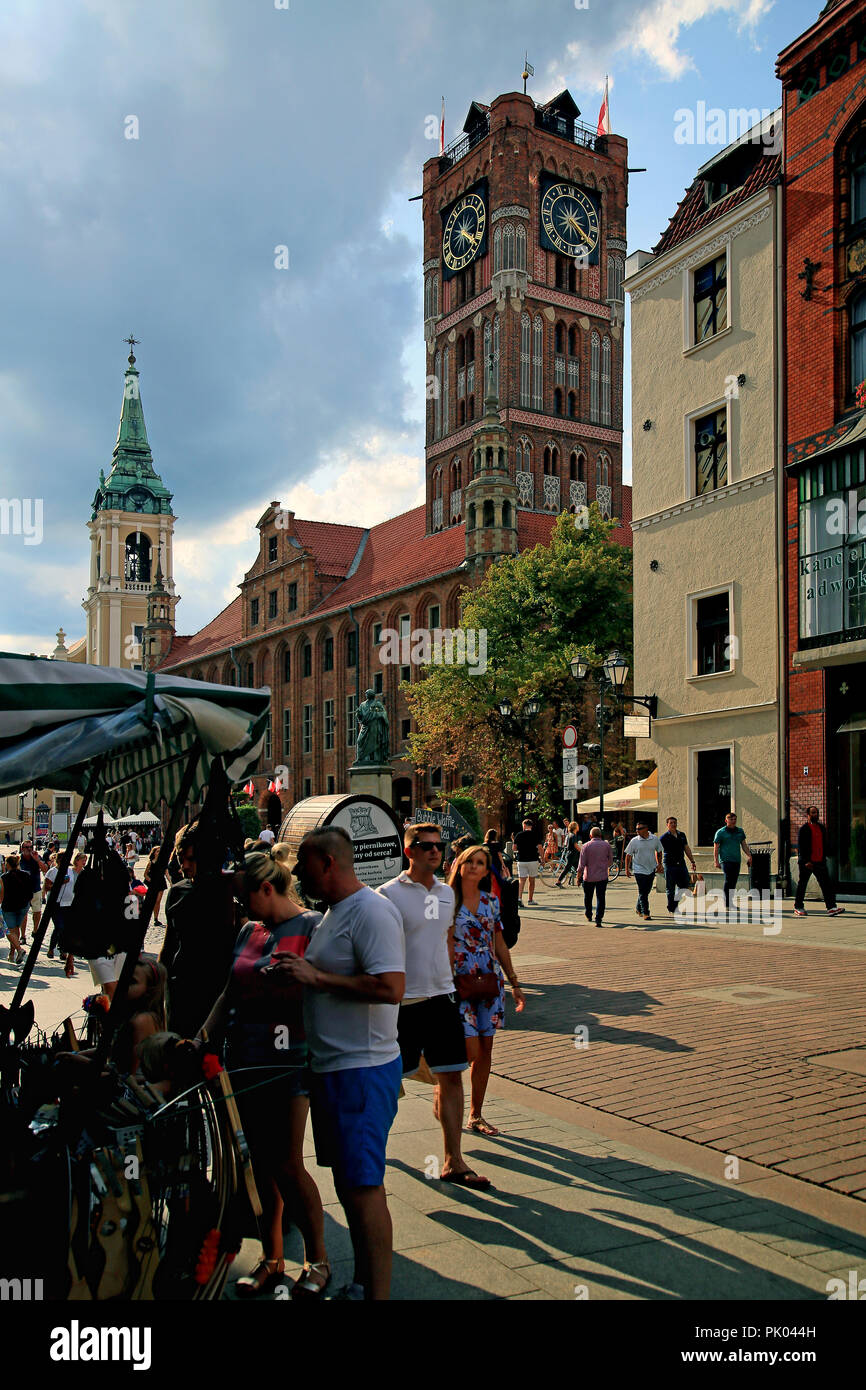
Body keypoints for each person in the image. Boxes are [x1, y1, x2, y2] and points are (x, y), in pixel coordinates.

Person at [271, 826, 405, 1302]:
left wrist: (315, 976)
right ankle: (364, 1282)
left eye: (303, 865)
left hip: (361, 1071)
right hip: (333, 1069)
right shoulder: (334, 913)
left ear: (328, 862)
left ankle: (378, 1294)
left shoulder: (371, 912)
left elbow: (391, 988)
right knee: (349, 1183)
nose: (297, 874)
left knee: (364, 1186)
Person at [201, 848, 330, 1299]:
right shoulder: (249, 930)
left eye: (245, 898)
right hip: (245, 1057)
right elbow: (228, 991)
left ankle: (318, 1261)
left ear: (267, 889)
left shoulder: (313, 926)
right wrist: (203, 1037)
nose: (240, 908)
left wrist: (305, 973)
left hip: (291, 1059)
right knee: (256, 1167)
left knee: (289, 1164)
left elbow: (327, 988)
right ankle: (272, 1258)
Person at [379, 824, 490, 1190]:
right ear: (408, 851)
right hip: (404, 1003)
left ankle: (453, 1160)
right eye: (425, 846)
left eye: (438, 846)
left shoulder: (446, 894)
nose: (434, 851)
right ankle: (372, 1147)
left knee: (451, 1075)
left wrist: (455, 982)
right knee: (388, 1080)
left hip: (443, 999)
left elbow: (445, 939)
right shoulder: (387, 895)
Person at [448, 845, 525, 1137]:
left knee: (485, 1049)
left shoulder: (491, 901)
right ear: (461, 864)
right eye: (471, 862)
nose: (476, 867)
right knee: (465, 1048)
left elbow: (500, 944)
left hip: (488, 981)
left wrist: (515, 982)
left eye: (481, 863)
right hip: (458, 981)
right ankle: (447, 1099)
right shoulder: (447, 901)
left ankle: (476, 1114)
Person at [794, 807, 845, 917]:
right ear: (808, 815)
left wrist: (825, 857)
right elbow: (801, 847)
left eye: (816, 813)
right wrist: (806, 861)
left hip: (820, 862)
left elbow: (824, 844)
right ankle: (798, 906)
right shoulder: (804, 829)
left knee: (826, 884)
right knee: (802, 884)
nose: (815, 815)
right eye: (813, 813)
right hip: (807, 863)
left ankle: (831, 907)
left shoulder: (821, 828)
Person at [713, 812, 752, 915]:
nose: (733, 821)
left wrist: (749, 855)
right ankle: (727, 903)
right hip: (725, 860)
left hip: (736, 860)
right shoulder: (720, 832)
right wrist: (716, 861)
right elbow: (716, 847)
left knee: (733, 881)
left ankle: (730, 902)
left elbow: (744, 845)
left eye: (734, 819)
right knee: (728, 879)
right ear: (726, 820)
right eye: (731, 819)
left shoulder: (740, 831)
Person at [624, 822, 663, 920]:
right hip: (638, 869)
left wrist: (659, 864)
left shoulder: (654, 839)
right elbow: (628, 856)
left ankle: (638, 907)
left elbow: (659, 851)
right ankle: (646, 912)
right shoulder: (634, 841)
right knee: (642, 891)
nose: (637, 831)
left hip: (651, 868)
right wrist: (627, 869)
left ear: (646, 829)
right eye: (636, 829)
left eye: (640, 829)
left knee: (646, 891)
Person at [576, 827, 613, 927]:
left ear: (590, 836)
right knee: (601, 897)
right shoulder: (606, 845)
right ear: (600, 835)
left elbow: (581, 864)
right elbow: (610, 862)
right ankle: (599, 918)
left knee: (588, 897)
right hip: (602, 876)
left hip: (588, 877)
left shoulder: (586, 846)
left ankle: (588, 914)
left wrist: (578, 877)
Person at [659, 816, 697, 914]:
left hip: (681, 863)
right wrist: (659, 864)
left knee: (684, 885)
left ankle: (673, 905)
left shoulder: (681, 835)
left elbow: (686, 848)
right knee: (670, 887)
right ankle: (672, 908)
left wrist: (692, 861)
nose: (673, 824)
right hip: (669, 864)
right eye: (671, 823)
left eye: (675, 822)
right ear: (667, 825)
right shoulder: (664, 837)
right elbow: (658, 851)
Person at [1, 854, 33, 964]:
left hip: (8, 907)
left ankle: (15, 952)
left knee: (10, 931)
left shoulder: (4, 878)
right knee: (16, 929)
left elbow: (2, 894)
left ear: (7, 864)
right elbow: (31, 891)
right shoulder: (26, 875)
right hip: (23, 906)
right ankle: (14, 953)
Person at [18, 840, 47, 948]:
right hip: (22, 891)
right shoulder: (18, 859)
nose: (29, 849)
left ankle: (35, 931)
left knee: (37, 912)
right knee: (23, 914)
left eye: (31, 847)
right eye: (26, 847)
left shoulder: (36, 857)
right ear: (22, 849)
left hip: (35, 889)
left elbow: (45, 870)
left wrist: (37, 860)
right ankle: (23, 936)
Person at [513, 819, 543, 905]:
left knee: (521, 880)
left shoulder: (518, 835)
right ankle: (530, 899)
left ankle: (519, 898)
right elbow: (540, 848)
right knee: (532, 880)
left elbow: (514, 848)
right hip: (533, 859)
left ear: (525, 825)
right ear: (531, 826)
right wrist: (543, 859)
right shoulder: (535, 835)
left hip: (521, 860)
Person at [143, 846, 168, 926]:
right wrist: (150, 880)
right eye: (157, 851)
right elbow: (145, 874)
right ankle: (154, 918)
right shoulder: (151, 863)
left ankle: (156, 918)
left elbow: (166, 873)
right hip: (153, 883)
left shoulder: (163, 862)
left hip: (161, 882)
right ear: (154, 853)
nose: (159, 853)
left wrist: (171, 882)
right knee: (153, 901)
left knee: (158, 901)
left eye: (159, 851)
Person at [554, 821, 581, 888]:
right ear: (575, 827)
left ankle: (581, 880)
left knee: (578, 868)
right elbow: (575, 845)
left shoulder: (569, 834)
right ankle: (558, 881)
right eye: (577, 826)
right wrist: (582, 850)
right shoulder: (573, 835)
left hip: (570, 854)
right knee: (567, 869)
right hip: (572, 854)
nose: (578, 827)